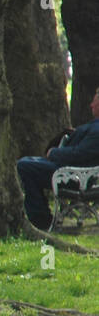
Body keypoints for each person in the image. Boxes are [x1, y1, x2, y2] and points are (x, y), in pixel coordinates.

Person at [17, 87, 99, 230]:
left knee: (24, 166)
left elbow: (78, 155)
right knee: (27, 162)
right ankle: (39, 214)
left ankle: (40, 218)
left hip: (75, 176)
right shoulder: (94, 127)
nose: (91, 105)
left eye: (94, 102)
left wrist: (54, 153)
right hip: (69, 170)